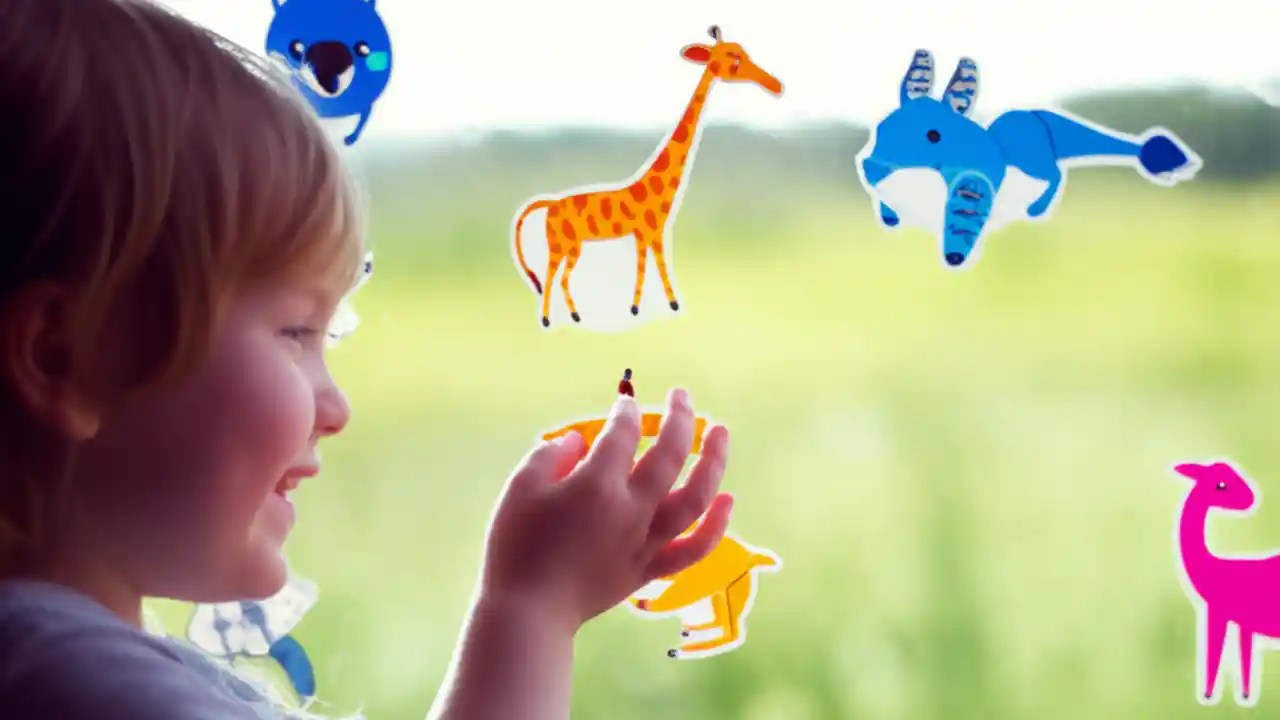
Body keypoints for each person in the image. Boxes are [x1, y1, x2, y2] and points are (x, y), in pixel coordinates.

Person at [0, 1, 735, 718]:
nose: (337, 408)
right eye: (294, 333)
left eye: (331, 338)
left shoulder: (86, 657)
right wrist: (532, 613)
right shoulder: (70, 677)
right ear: (63, 355)